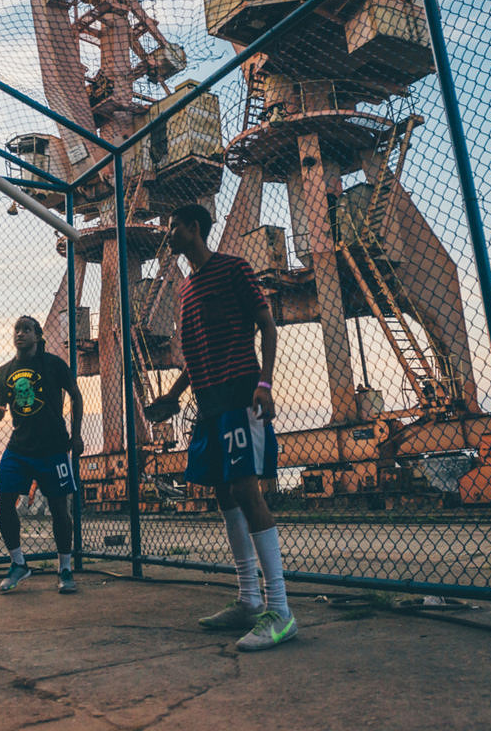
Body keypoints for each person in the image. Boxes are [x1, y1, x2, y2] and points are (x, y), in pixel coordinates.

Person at [145, 202, 294, 651]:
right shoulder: (186, 288)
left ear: (194, 228)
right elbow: (194, 356)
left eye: (174, 226)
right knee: (224, 493)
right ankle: (248, 599)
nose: (169, 233)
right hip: (208, 402)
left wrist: (265, 383)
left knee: (247, 490)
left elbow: (266, 325)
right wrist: (173, 396)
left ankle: (281, 611)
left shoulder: (234, 268)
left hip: (239, 390)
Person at [0, 315, 84, 595]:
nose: (20, 333)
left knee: (59, 509)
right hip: (19, 448)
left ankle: (65, 568)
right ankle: (19, 564)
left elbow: (76, 395)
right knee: (4, 502)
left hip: (53, 448)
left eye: (26, 329)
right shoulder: (5, 371)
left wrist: (77, 435)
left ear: (37, 335)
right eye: (16, 329)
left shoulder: (53, 364)